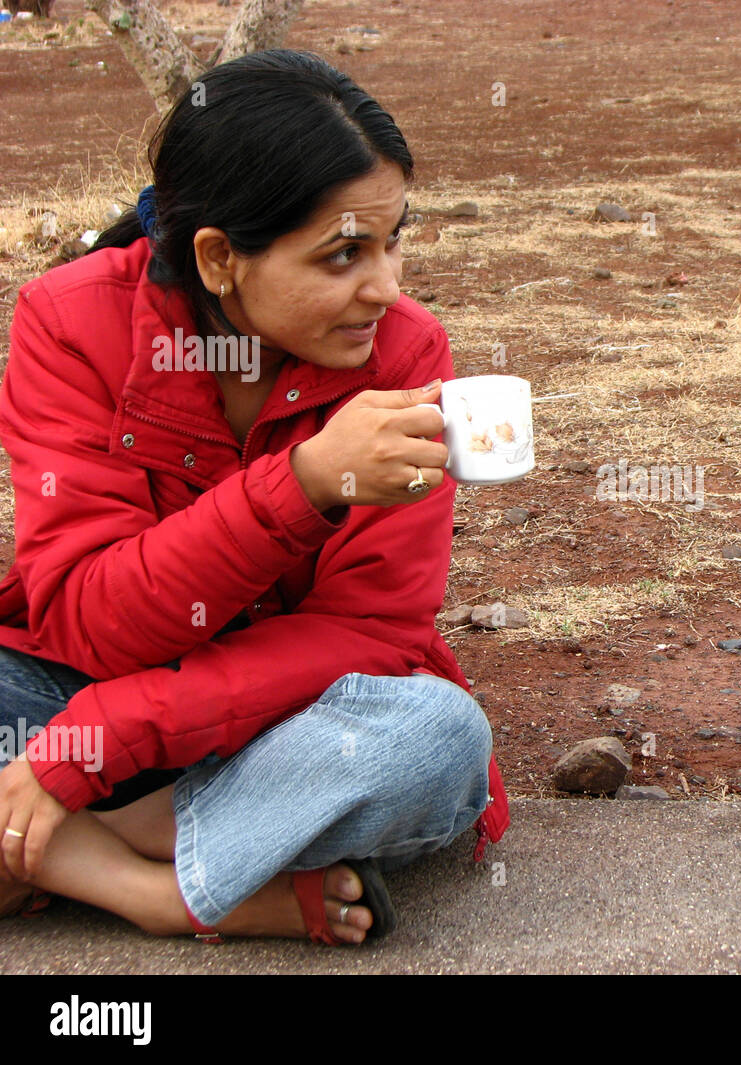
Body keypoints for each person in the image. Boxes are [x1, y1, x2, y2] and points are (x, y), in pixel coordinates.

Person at [0, 49, 507, 945]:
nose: (386, 288)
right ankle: (169, 883)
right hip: (84, 688)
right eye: (344, 253)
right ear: (219, 258)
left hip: (287, 719)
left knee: (435, 740)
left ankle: (74, 845)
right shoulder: (69, 322)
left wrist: (103, 743)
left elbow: (371, 632)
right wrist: (304, 482)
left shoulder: (408, 355)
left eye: (393, 241)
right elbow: (88, 621)